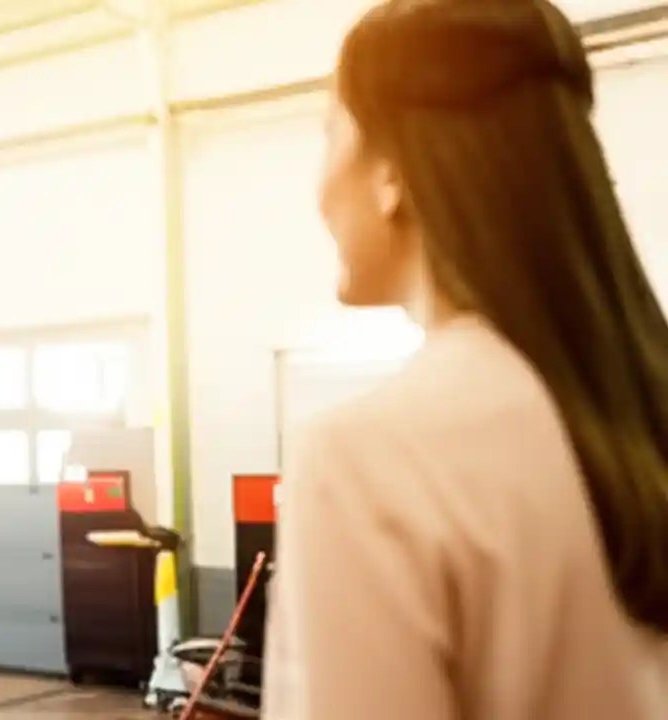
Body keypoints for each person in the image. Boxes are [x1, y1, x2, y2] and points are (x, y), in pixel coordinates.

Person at [262, 1, 668, 719]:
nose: (317, 191)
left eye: (329, 134)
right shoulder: (639, 413)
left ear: (391, 172)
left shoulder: (368, 458)